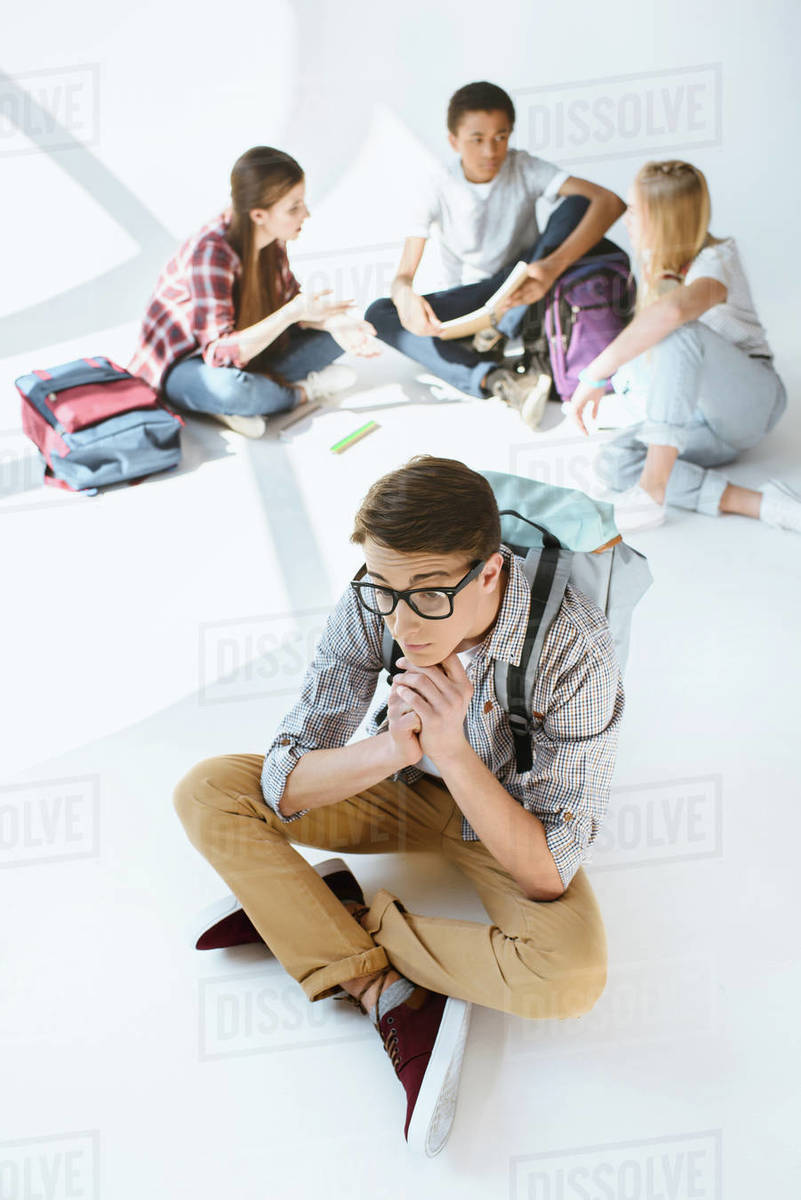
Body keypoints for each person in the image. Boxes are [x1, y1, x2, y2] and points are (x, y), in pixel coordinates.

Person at [174, 456, 623, 1155]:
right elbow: (283, 782)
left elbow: (544, 872)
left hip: (502, 821)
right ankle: (381, 987)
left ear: (490, 572)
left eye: (429, 593)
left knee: (567, 977)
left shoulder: (576, 646)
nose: (405, 620)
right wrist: (393, 750)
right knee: (209, 791)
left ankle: (324, 917)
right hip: (399, 786)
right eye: (386, 588)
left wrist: (452, 749)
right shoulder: (373, 601)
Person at [365, 81, 626, 429]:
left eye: (501, 137)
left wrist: (551, 268)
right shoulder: (436, 184)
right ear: (453, 141)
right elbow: (403, 276)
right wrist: (406, 297)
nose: (491, 150)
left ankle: (507, 329)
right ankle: (497, 379)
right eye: (477, 139)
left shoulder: (524, 167)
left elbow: (610, 202)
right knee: (379, 313)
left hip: (527, 285)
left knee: (577, 203)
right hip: (474, 301)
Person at [566, 159, 800, 533]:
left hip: (750, 405)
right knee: (612, 462)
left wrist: (594, 376)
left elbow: (674, 312)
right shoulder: (653, 264)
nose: (625, 219)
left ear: (662, 217)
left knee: (677, 329)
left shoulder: (717, 261)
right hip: (698, 425)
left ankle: (652, 490)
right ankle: (762, 504)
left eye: (633, 210)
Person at [128, 146, 378, 438]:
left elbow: (291, 304)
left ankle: (251, 402)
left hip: (250, 351)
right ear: (259, 214)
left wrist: (334, 323)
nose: (306, 214)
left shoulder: (273, 236)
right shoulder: (210, 254)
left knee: (343, 334)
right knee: (230, 390)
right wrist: (294, 312)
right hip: (188, 364)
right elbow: (219, 353)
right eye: (294, 207)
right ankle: (302, 392)